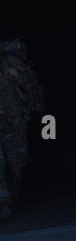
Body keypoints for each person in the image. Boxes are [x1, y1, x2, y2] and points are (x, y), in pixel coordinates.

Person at [0, 37, 45, 221]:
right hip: (14, 121)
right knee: (14, 161)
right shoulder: (19, 66)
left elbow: (33, 91)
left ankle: (7, 200)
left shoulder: (18, 67)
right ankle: (6, 201)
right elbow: (35, 92)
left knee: (13, 161)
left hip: (13, 121)